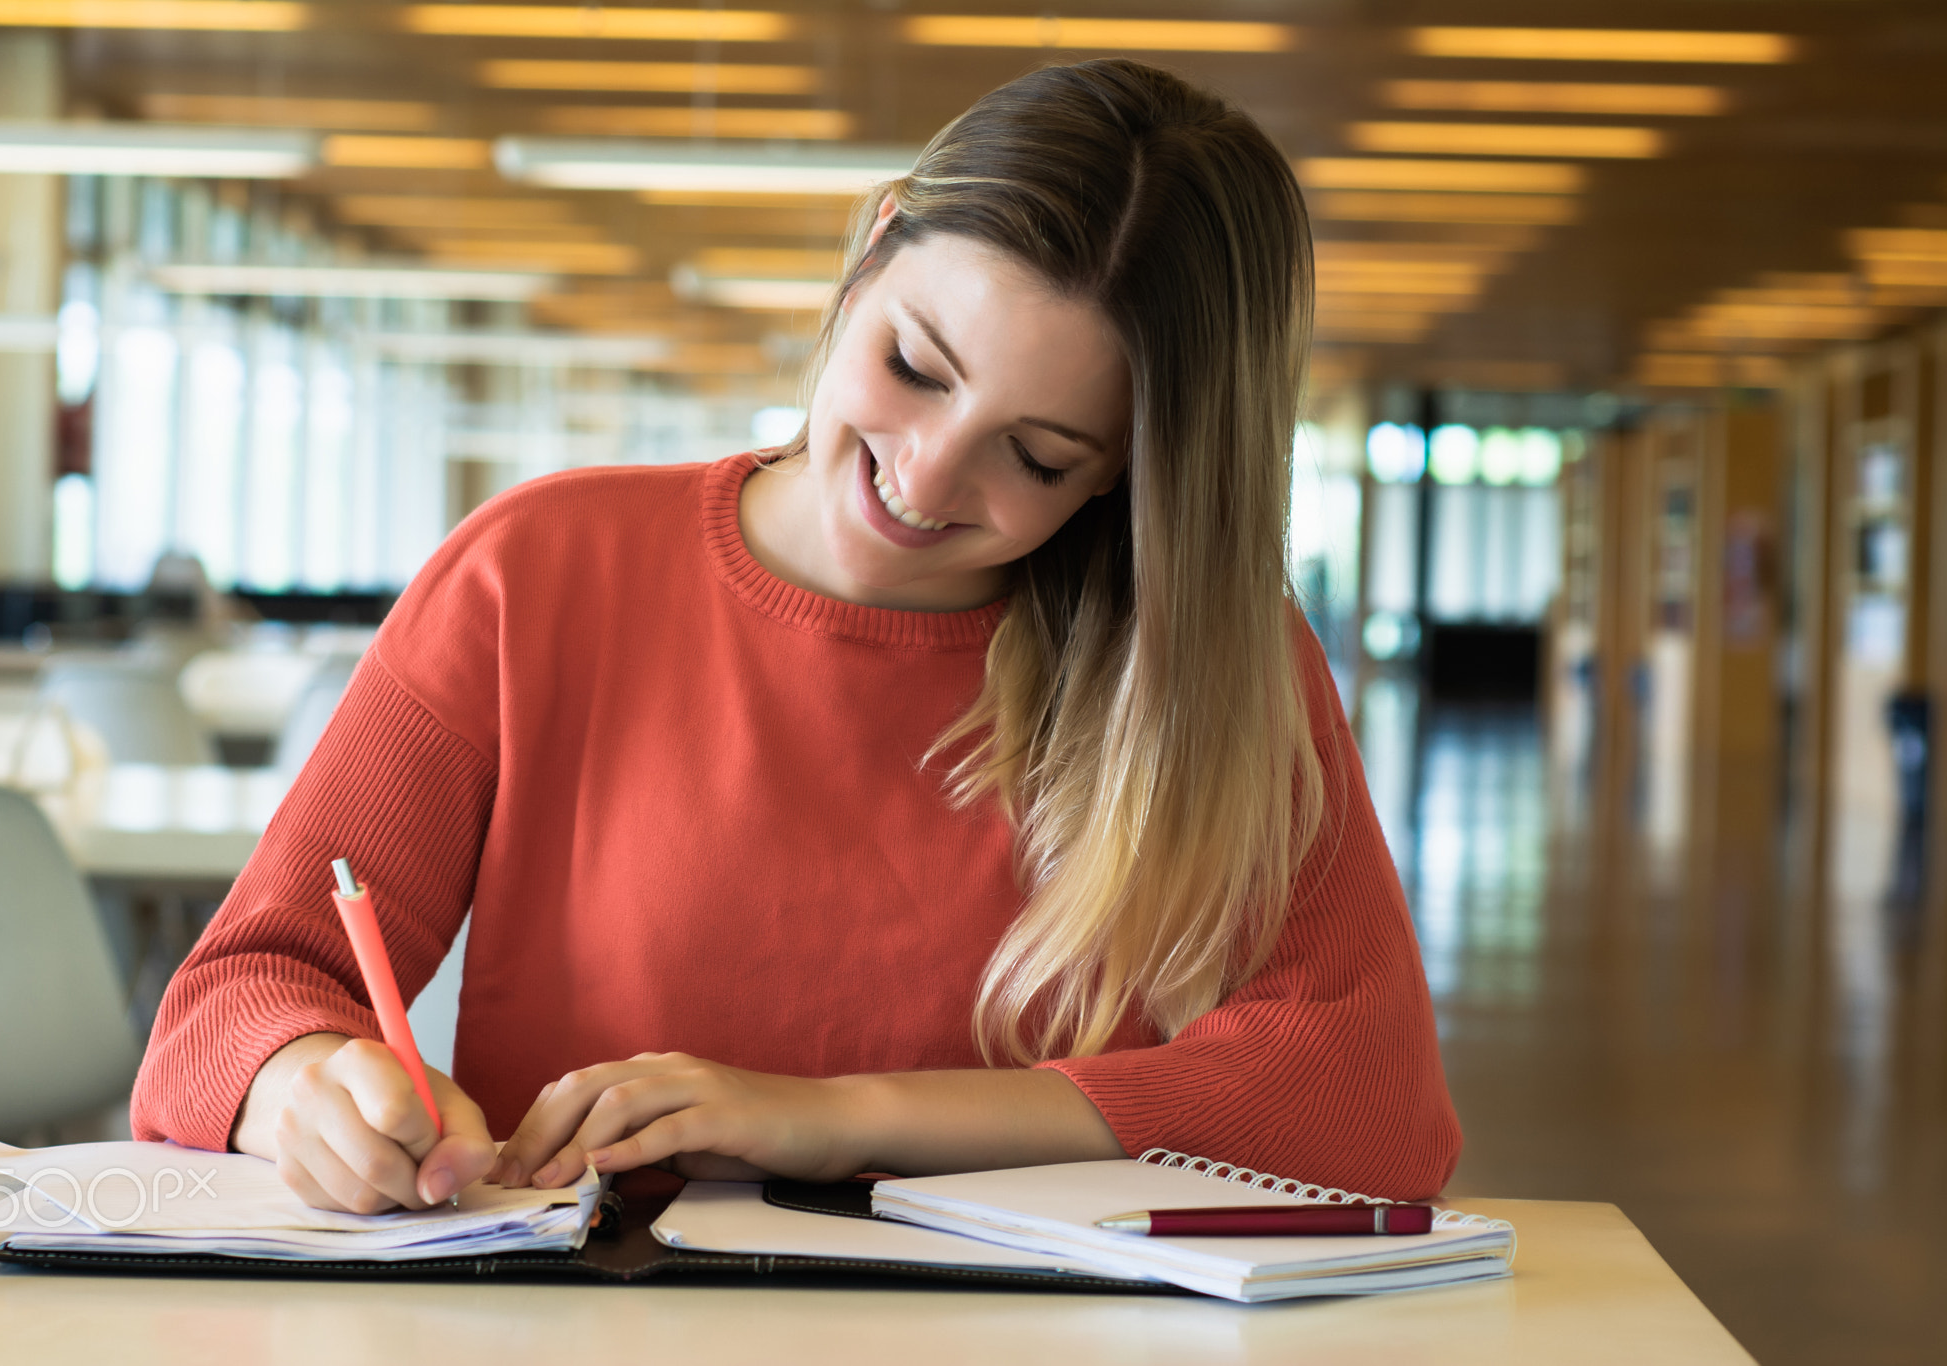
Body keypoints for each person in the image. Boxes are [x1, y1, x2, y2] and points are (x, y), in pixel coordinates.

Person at [132, 58, 1461, 1215]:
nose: (927, 479)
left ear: (1129, 474)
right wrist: (303, 1083)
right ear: (873, 245)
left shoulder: (1206, 657)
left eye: (1041, 456)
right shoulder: (537, 572)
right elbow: (235, 997)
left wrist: (839, 1118)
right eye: (916, 365)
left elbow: (1364, 1099)